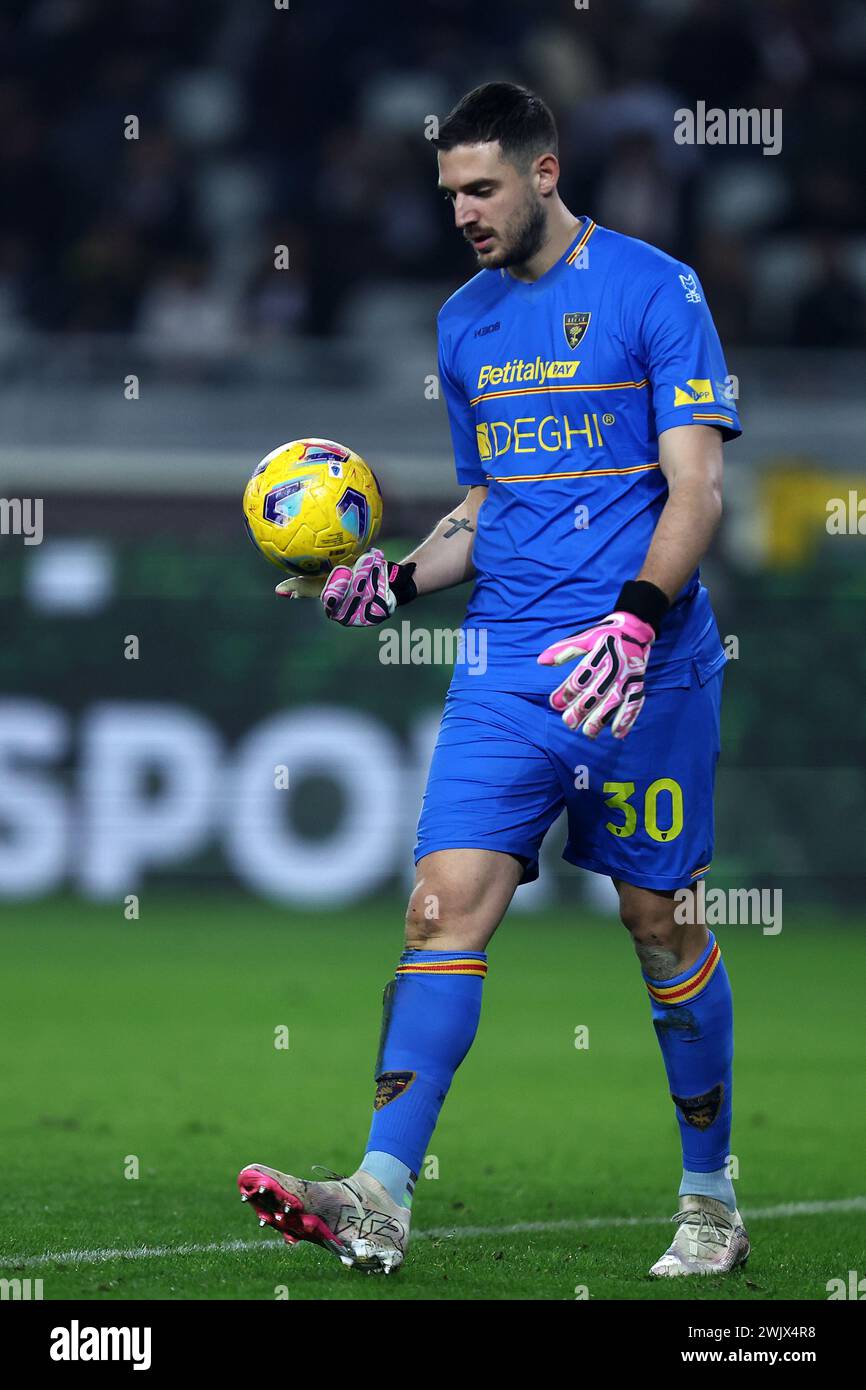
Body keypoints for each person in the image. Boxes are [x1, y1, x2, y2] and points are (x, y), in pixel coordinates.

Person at [238, 81, 748, 1279]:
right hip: (509, 669)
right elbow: (486, 507)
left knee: (659, 923)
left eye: (481, 188)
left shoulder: (653, 289)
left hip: (643, 671)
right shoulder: (462, 321)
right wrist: (398, 583)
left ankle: (709, 1198)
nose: (462, 211)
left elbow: (695, 493)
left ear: (543, 173)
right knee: (440, 902)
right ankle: (378, 1191)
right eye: (449, 193)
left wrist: (631, 622)